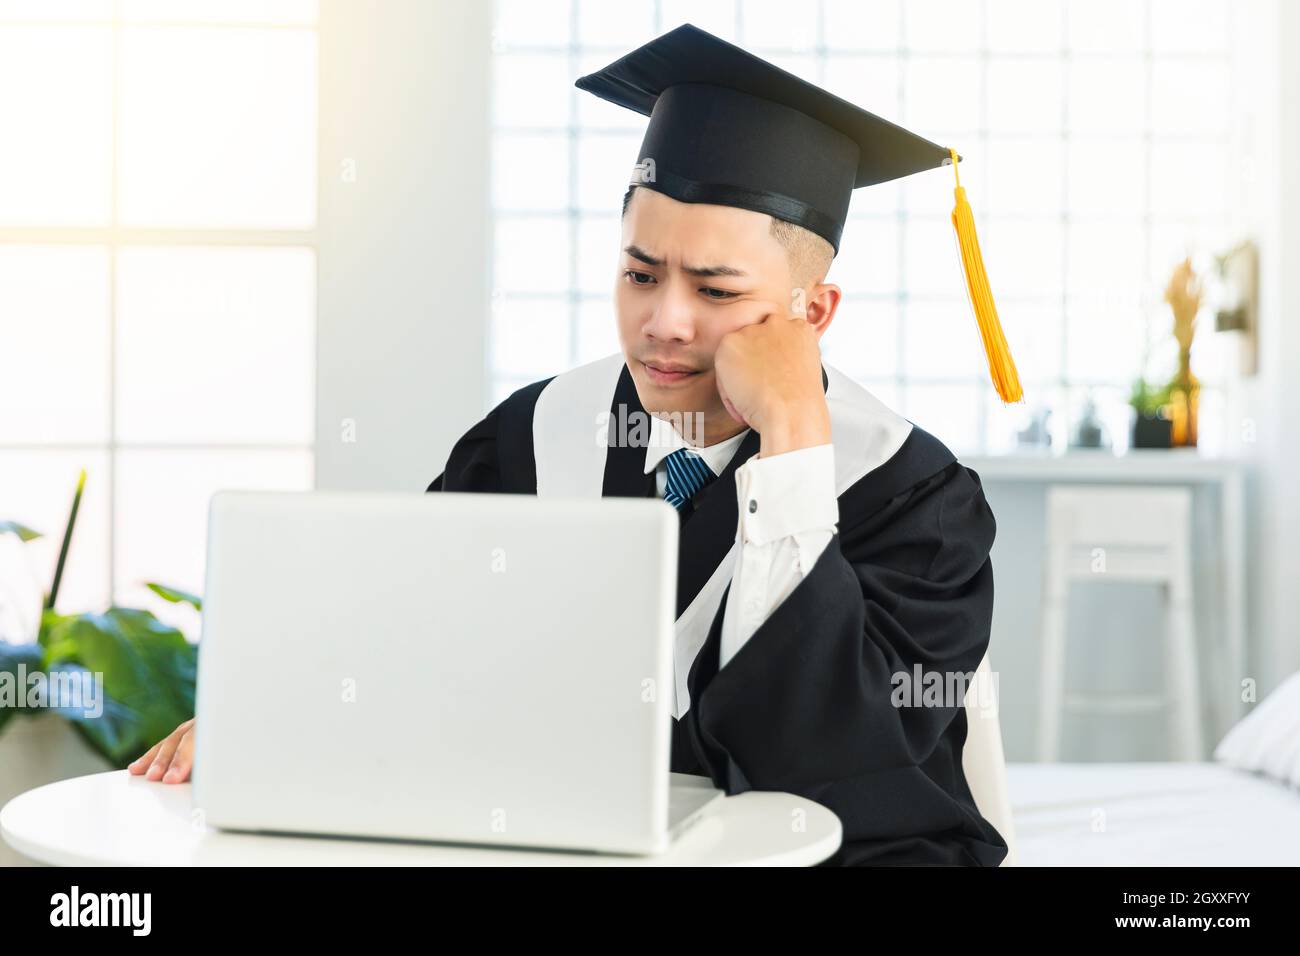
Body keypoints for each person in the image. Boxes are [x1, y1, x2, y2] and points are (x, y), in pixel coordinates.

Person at [132, 23, 1019, 866]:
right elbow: (413, 631)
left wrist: (793, 445)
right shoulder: (536, 434)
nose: (663, 324)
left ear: (810, 314)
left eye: (714, 292)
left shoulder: (915, 497)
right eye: (639, 274)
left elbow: (827, 762)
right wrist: (284, 717)